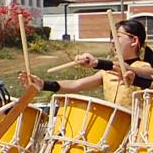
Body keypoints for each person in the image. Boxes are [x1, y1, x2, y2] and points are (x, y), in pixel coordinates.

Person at [19, 18, 153, 108]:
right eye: (111, 38)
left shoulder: (145, 68)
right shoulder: (106, 72)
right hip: (112, 131)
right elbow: (76, 84)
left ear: (134, 41)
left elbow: (134, 71)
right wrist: (43, 84)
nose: (112, 42)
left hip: (137, 133)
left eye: (117, 37)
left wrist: (96, 63)